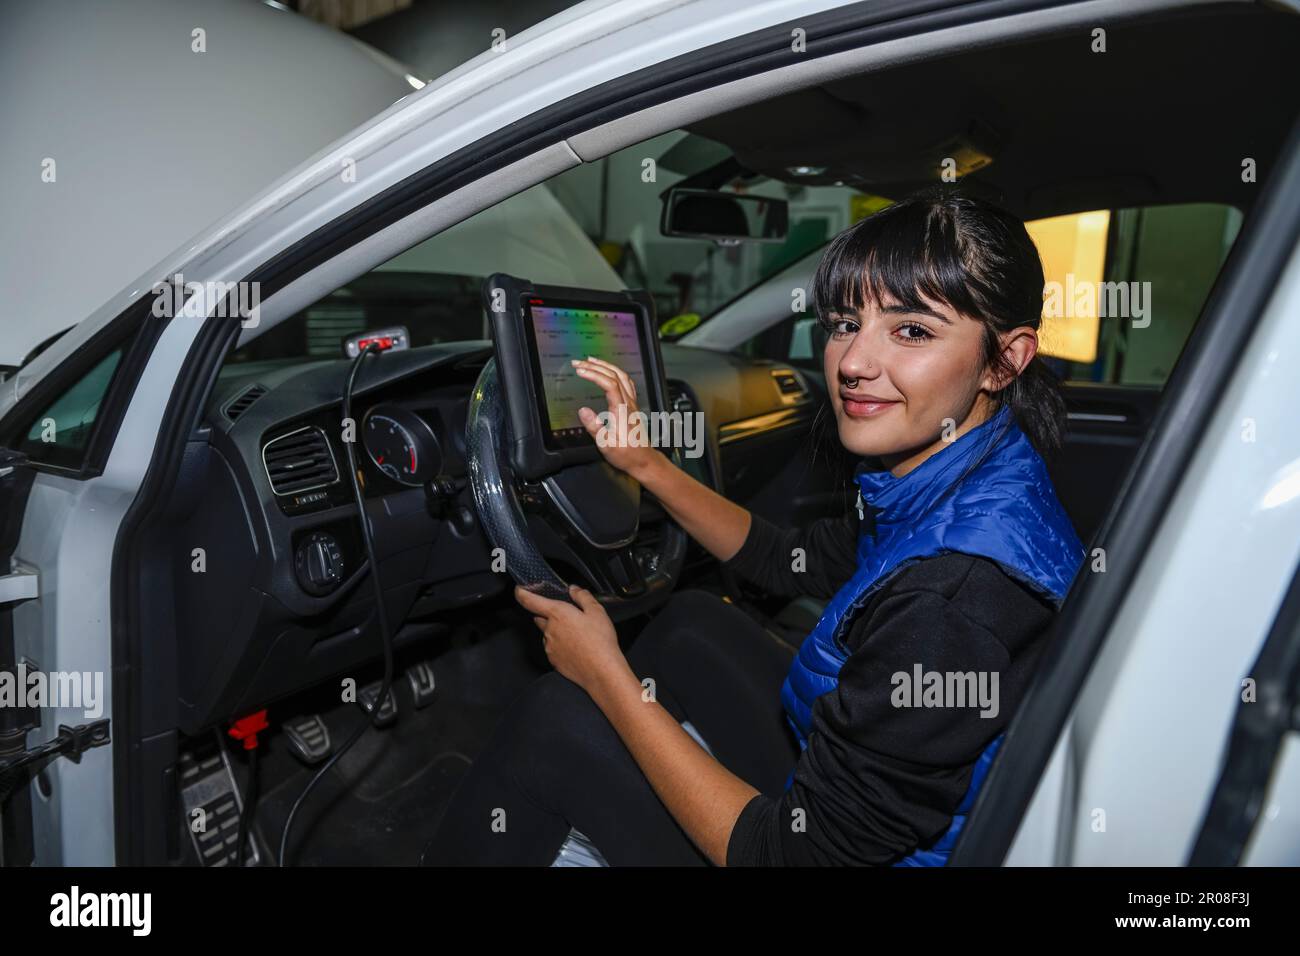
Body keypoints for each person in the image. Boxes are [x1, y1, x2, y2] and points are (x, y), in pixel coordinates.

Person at [421, 187, 1086, 866]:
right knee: (689, 623)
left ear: (1006, 359)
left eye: (911, 330)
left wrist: (603, 676)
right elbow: (786, 559)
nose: (853, 363)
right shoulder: (962, 477)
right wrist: (646, 466)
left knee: (554, 724)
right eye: (844, 322)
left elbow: (787, 858)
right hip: (848, 805)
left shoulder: (951, 603)